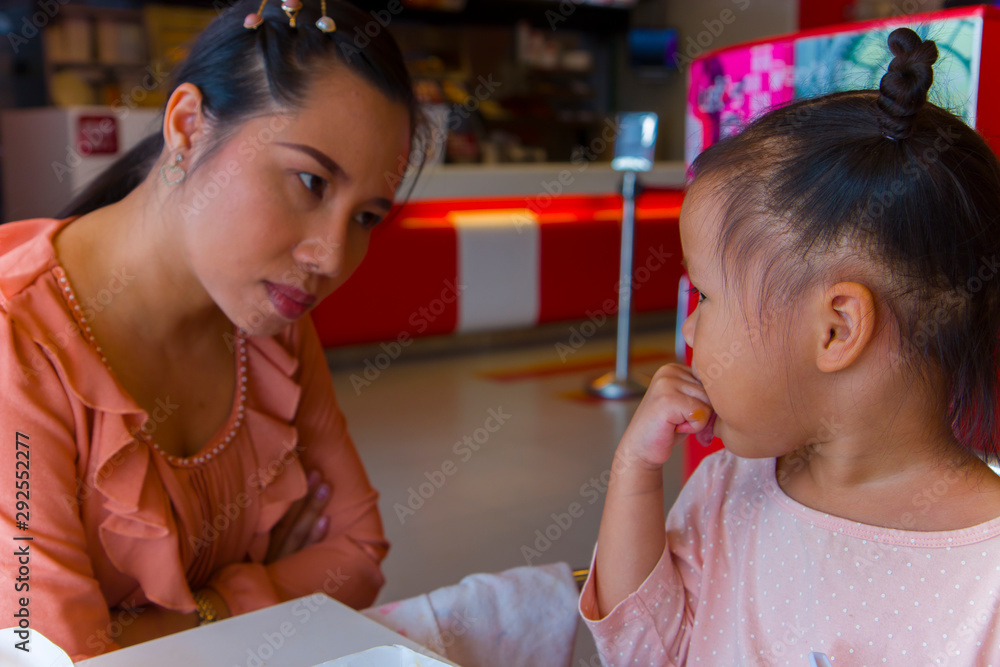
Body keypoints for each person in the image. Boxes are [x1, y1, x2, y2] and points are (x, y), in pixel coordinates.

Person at [0, 0, 423, 660]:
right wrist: (254, 595)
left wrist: (169, 617)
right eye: (310, 181)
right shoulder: (17, 341)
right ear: (189, 125)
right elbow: (53, 652)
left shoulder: (268, 320)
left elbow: (358, 554)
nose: (332, 257)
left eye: (366, 216)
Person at [580, 27, 1000, 665]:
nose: (690, 330)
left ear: (835, 329)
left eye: (704, 297)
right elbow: (642, 653)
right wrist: (634, 474)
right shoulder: (728, 488)